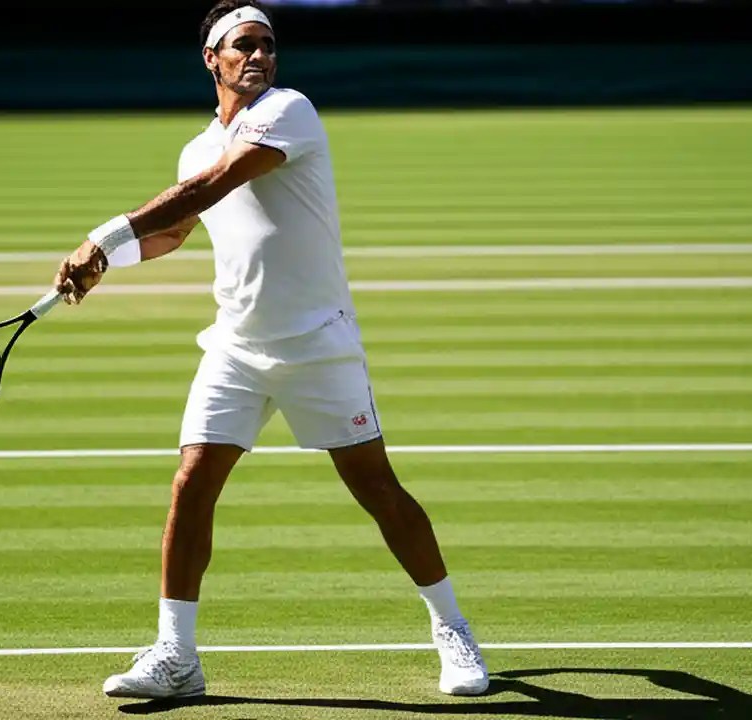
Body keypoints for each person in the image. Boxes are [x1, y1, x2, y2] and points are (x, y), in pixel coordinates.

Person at [53, 0, 488, 701]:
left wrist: (101, 237)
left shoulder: (291, 110)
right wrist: (114, 264)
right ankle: (177, 656)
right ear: (212, 59)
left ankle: (453, 627)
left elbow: (215, 185)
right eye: (243, 46)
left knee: (377, 490)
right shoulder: (197, 146)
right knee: (192, 485)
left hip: (319, 345)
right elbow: (176, 230)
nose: (259, 57)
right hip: (234, 347)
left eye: (268, 46)